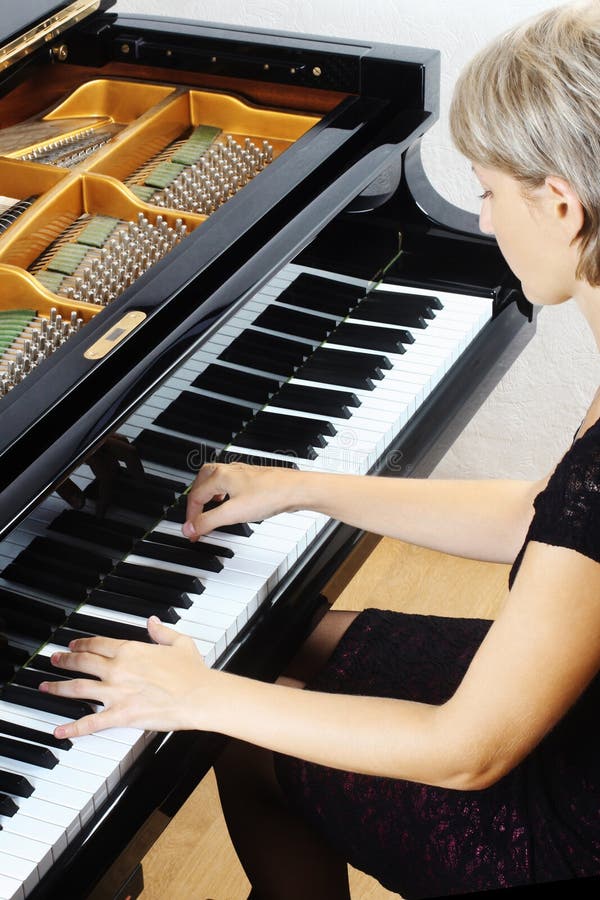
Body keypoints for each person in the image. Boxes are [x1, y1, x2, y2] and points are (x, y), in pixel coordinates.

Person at [40, 2, 600, 897]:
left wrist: (200, 698)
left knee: (246, 719)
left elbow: (468, 753)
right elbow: (557, 516)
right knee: (261, 661)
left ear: (563, 204)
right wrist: (309, 486)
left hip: (565, 822)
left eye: (491, 191)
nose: (486, 221)